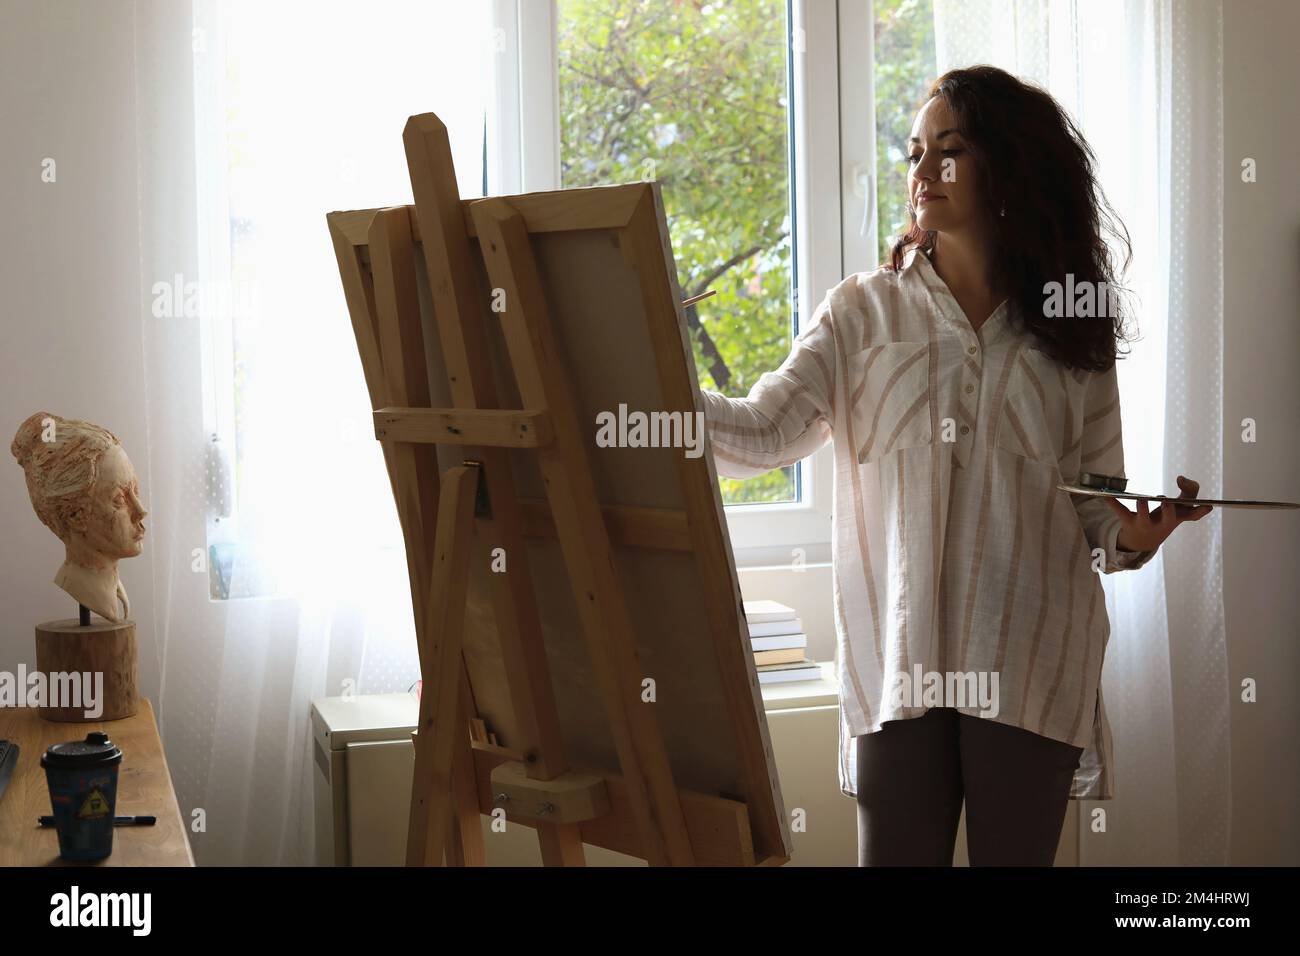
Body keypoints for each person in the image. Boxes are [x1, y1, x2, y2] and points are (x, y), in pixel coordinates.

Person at [699, 65, 1210, 866]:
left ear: (1008, 165)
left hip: (1031, 657)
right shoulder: (861, 313)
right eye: (914, 152)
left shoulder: (1072, 326)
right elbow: (759, 434)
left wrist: (1137, 534)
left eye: (951, 149)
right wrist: (649, 380)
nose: (923, 170)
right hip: (899, 665)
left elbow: (1091, 504)